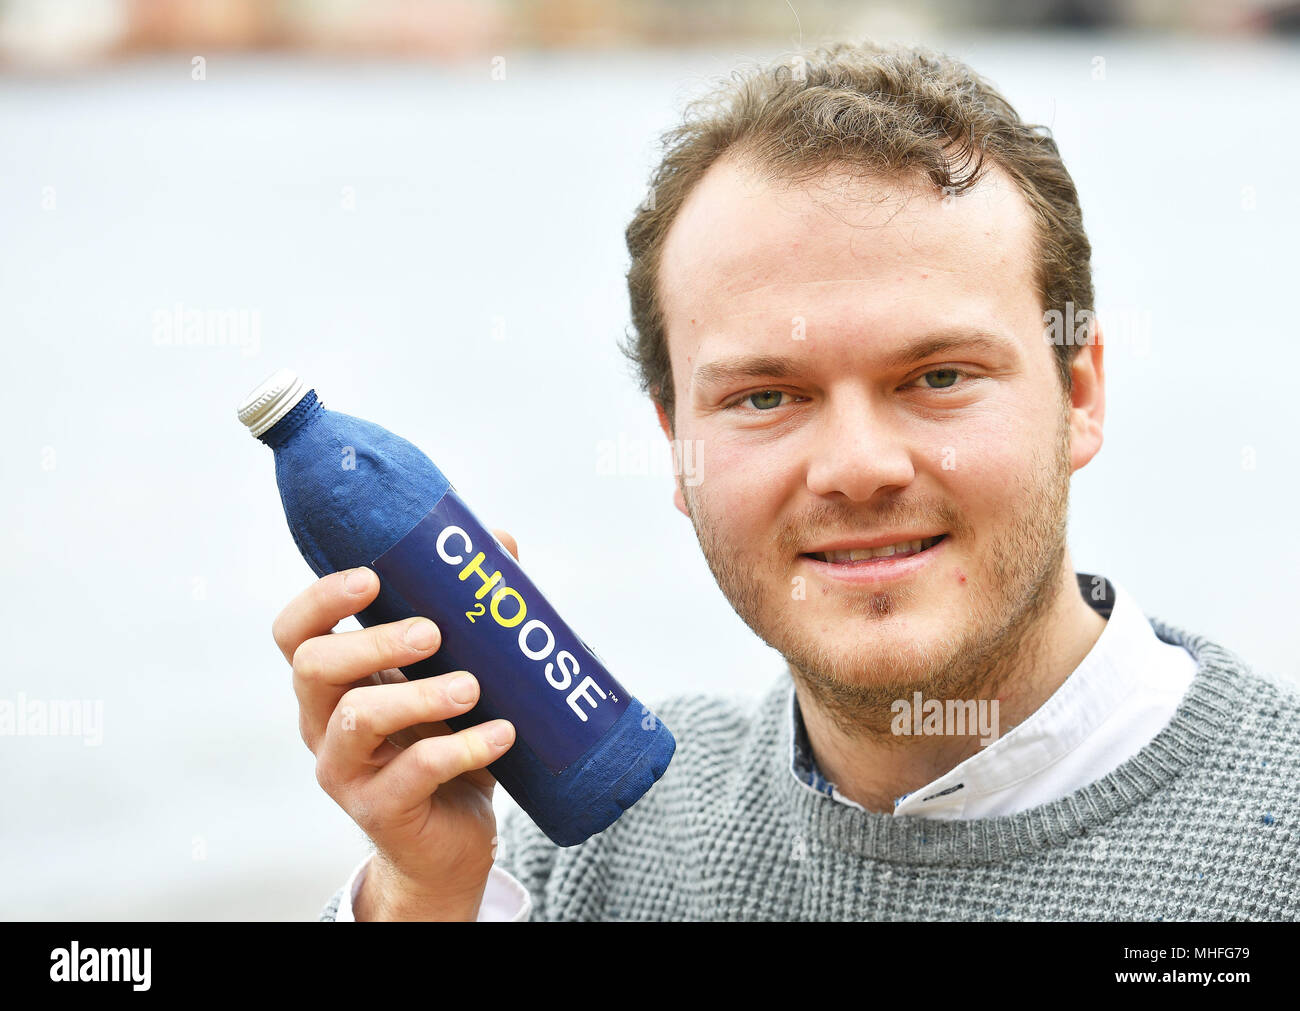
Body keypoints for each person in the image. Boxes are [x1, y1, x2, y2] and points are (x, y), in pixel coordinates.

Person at [275, 40, 1300, 921]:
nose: (857, 469)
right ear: (675, 442)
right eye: (766, 397)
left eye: (937, 377)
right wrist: (422, 896)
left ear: (1079, 394)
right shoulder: (583, 858)